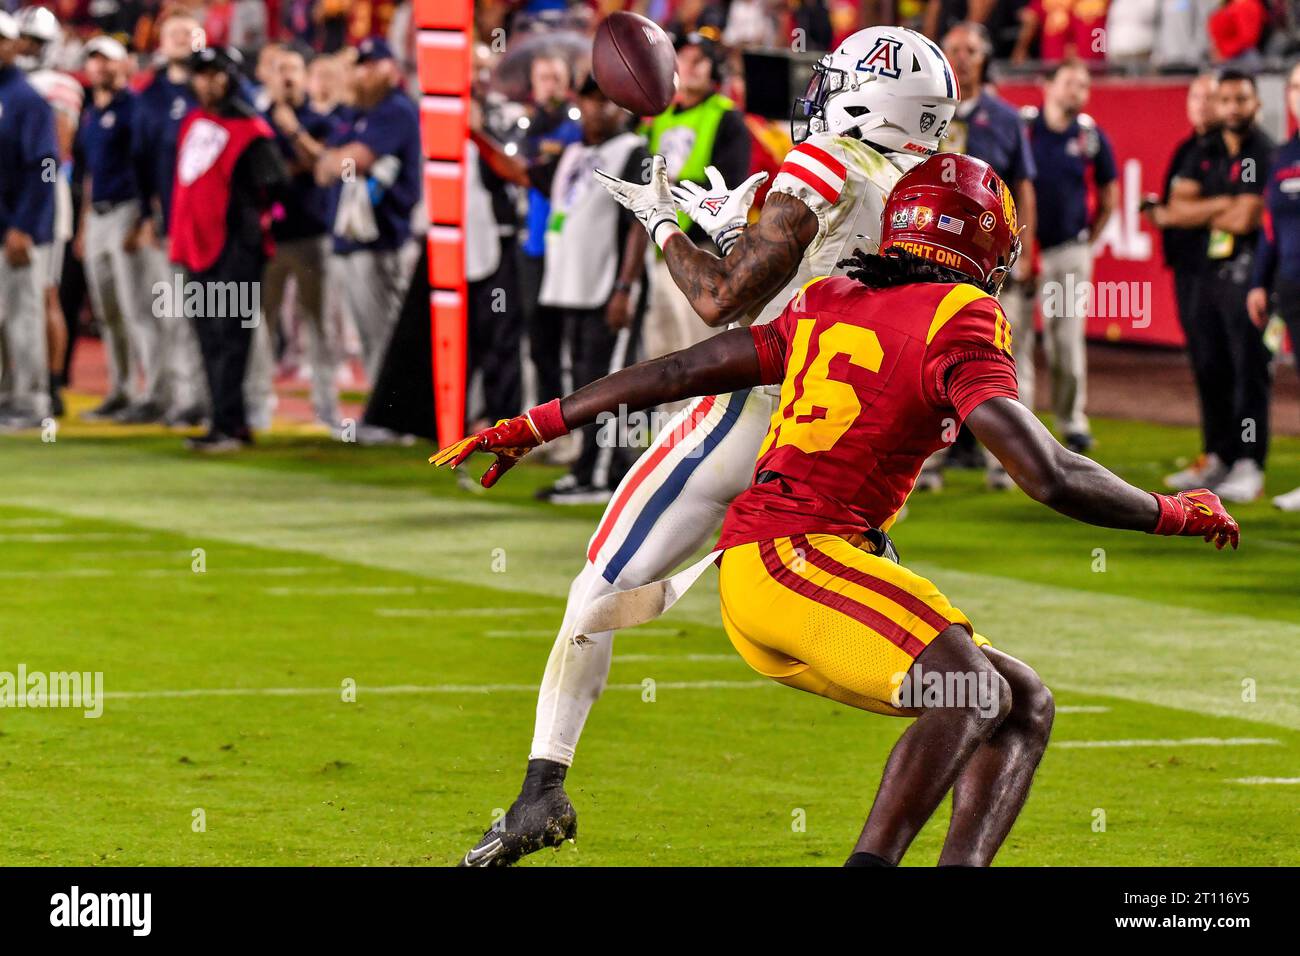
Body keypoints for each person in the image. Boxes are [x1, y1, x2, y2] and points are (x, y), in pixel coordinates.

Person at [434, 153, 1239, 866]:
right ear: (982, 247)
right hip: (798, 557)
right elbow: (1048, 471)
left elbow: (680, 369)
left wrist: (534, 423)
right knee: (973, 693)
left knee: (1020, 701)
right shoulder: (961, 316)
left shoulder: (831, 296)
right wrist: (1171, 511)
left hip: (782, 567)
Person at [456, 26, 960, 867]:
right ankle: (971, 707)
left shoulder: (829, 159)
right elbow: (826, 293)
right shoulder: (918, 191)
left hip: (754, 409)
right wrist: (735, 233)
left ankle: (542, 789)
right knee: (862, 636)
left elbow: (721, 305)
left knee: (597, 591)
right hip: (848, 438)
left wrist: (663, 226)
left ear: (866, 96)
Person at [923, 20, 1038, 491]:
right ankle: (926, 463)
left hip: (992, 261)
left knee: (1007, 355)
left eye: (970, 50)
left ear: (985, 57)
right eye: (953, 49)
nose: (962, 58)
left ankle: (1012, 462)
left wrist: (1026, 252)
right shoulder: (927, 113)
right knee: (930, 357)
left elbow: (1024, 185)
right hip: (932, 260)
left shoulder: (1006, 118)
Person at [1153, 69, 1274, 503]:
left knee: (1248, 369)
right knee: (1210, 365)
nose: (1232, 108)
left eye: (1241, 99)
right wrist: (1223, 206)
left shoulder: (1260, 152)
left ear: (1256, 104)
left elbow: (1246, 217)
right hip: (1209, 275)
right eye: (1226, 100)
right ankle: (1219, 453)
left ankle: (1249, 461)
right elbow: (1172, 209)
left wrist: (1203, 209)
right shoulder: (1210, 149)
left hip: (1250, 276)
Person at [169, 45, 287, 451]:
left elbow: (276, 184)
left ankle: (234, 424)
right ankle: (221, 420)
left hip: (236, 247)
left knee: (230, 337)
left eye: (215, 73)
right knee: (208, 336)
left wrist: (252, 227)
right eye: (200, 74)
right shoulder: (194, 121)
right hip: (199, 246)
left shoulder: (252, 129)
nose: (207, 81)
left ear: (231, 75)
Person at [1017, 60, 1117, 453]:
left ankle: (1072, 421)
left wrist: (1086, 244)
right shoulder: (1024, 128)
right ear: (1048, 84)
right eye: (1071, 82)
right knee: (1015, 339)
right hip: (1022, 252)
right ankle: (1020, 423)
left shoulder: (1090, 137)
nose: (1079, 90)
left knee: (1066, 342)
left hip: (1067, 251)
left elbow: (1108, 196)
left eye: (1085, 84)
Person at [638, 26, 750, 367]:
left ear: (714, 70)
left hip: (700, 247)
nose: (690, 67)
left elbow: (729, 184)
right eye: (683, 59)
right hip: (656, 247)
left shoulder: (727, 117)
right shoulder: (656, 118)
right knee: (659, 343)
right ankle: (667, 422)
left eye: (700, 61)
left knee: (697, 346)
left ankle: (700, 418)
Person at [315, 37, 421, 387]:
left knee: (384, 333)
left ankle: (393, 413)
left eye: (368, 65)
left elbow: (353, 162)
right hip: (351, 238)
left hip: (381, 238)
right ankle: (384, 409)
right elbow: (323, 168)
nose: (360, 73)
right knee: (368, 332)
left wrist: (339, 160)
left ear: (389, 69)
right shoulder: (356, 112)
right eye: (357, 66)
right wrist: (338, 160)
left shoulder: (397, 109)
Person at [254, 43, 341, 429]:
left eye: (293, 68)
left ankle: (328, 409)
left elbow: (322, 164)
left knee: (320, 326)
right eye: (280, 69)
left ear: (305, 76)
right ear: (268, 77)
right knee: (260, 325)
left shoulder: (320, 120)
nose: (287, 76)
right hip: (269, 239)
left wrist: (294, 131)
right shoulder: (256, 120)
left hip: (312, 236)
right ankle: (256, 406)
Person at [130, 6, 207, 428]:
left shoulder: (216, 86)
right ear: (160, 43)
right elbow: (140, 161)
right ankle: (184, 398)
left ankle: (239, 403)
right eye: (173, 32)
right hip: (173, 222)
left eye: (188, 31)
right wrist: (146, 214)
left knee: (232, 312)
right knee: (176, 313)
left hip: (217, 223)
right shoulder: (150, 96)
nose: (180, 38)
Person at [76, 37, 157, 423]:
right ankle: (121, 390)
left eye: (107, 61)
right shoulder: (91, 111)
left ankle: (152, 393)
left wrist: (144, 219)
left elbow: (147, 165)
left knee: (137, 309)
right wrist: (82, 225)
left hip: (127, 212)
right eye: (94, 61)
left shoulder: (135, 108)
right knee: (108, 312)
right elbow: (90, 173)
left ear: (125, 64)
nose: (100, 68)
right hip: (98, 217)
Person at [1149, 73, 1219, 488]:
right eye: (1195, 95)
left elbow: (1235, 209)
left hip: (1222, 274)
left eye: (1209, 97)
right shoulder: (1188, 147)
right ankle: (1214, 454)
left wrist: (1175, 214)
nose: (1200, 104)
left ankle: (1239, 458)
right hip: (1189, 270)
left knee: (1231, 367)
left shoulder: (1229, 150)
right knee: (1206, 365)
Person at [14, 5, 81, 418]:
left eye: (33, 41)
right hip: (13, 199)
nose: (26, 48)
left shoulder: (58, 85)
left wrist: (35, 187)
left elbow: (53, 155)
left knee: (45, 293)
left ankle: (50, 384)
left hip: (42, 198)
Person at [1246, 61, 1300, 511]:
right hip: (1290, 287)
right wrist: (1258, 283)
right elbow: (1269, 229)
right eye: (1296, 87)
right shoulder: (1283, 156)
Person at [0, 9, 57, 432]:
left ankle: (33, 400)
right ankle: (8, 396)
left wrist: (24, 225)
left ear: (14, 46)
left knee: (23, 317)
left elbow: (47, 168)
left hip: (16, 231)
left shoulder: (27, 99)